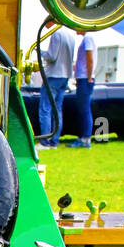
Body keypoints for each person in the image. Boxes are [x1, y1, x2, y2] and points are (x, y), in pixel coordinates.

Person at [36, 18, 75, 149]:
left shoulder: (56, 33)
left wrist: (39, 51)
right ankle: (54, 141)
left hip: (54, 75)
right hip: (65, 75)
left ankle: (44, 141)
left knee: (45, 109)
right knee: (57, 109)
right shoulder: (70, 34)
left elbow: (52, 56)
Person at [68, 29, 96, 148]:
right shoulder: (87, 39)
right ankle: (83, 137)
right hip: (84, 78)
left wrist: (89, 76)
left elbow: (89, 59)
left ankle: (85, 139)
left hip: (85, 79)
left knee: (84, 110)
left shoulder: (88, 38)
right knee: (83, 109)